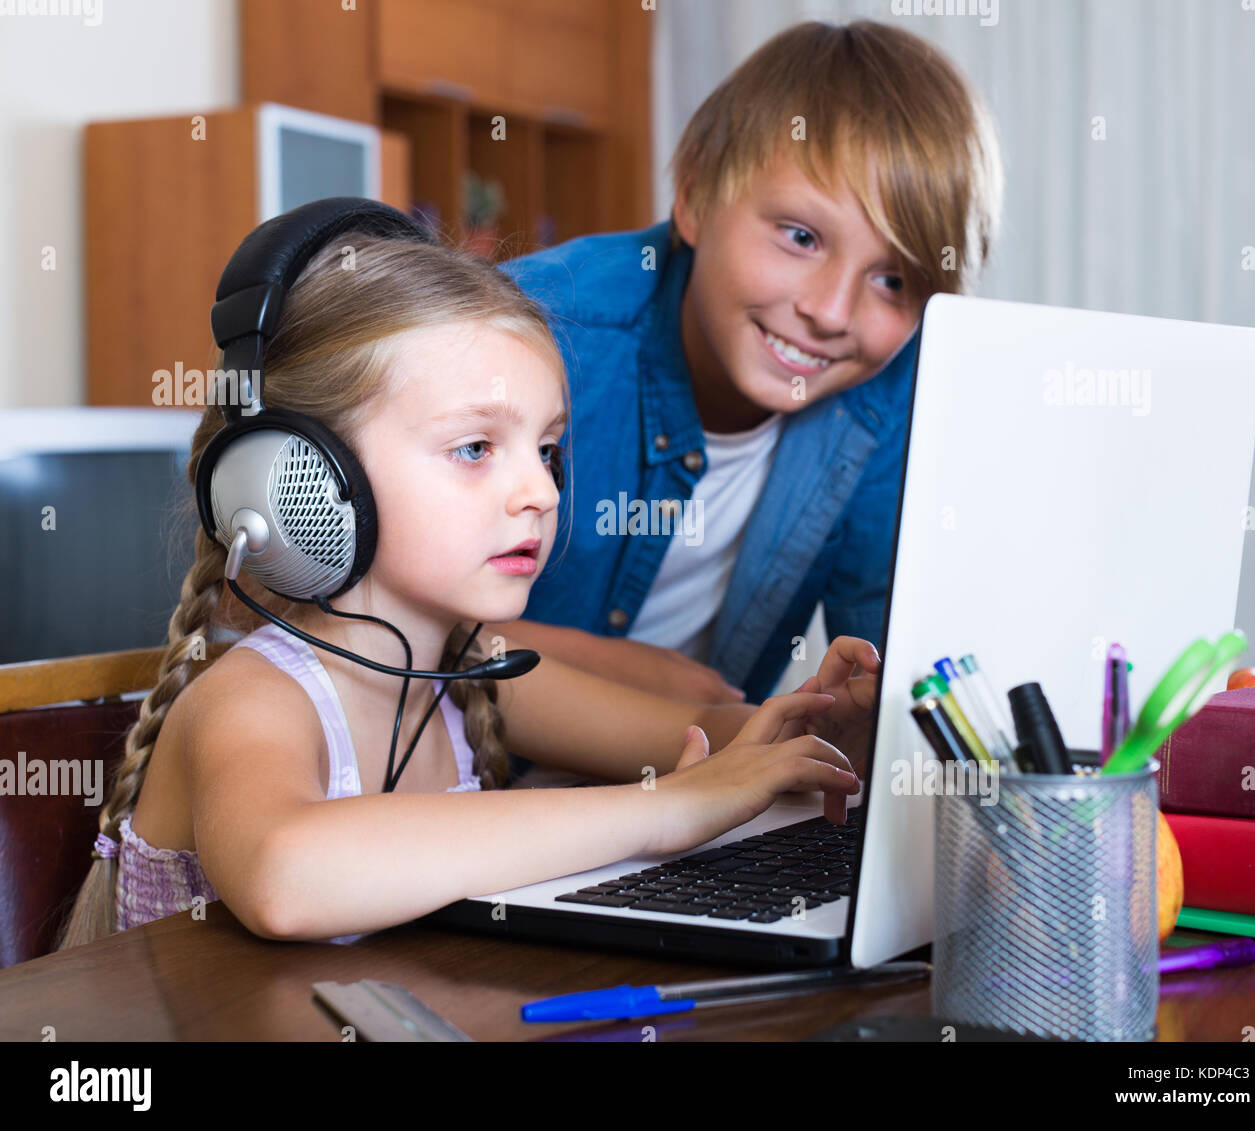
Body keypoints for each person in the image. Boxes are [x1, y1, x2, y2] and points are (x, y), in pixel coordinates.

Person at [54, 226, 877, 950]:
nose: (543, 493)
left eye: (547, 449)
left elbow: (697, 734)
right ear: (296, 478)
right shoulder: (255, 697)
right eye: (477, 448)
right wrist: (665, 811)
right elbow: (284, 871)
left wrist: (816, 730)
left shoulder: (474, 668)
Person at [489, 20, 1003, 734]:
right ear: (696, 193)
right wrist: (638, 680)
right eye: (800, 237)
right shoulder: (527, 335)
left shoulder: (891, 385)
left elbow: (895, 677)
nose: (829, 312)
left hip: (697, 797)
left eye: (893, 279)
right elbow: (389, 646)